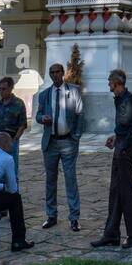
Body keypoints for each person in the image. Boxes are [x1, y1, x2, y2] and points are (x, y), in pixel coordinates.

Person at [91, 69, 132, 251]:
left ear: (116, 83)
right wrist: (116, 136)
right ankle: (111, 234)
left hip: (126, 151)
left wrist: (124, 144)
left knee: (126, 193)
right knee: (115, 191)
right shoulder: (120, 100)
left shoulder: (129, 100)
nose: (108, 84)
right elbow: (124, 125)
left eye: (109, 81)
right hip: (121, 146)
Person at [36, 62, 83, 231]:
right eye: (52, 72)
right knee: (50, 180)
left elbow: (79, 115)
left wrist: (75, 137)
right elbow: (38, 115)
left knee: (70, 179)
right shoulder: (45, 95)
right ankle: (51, 215)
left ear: (63, 73)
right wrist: (42, 119)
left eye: (58, 72)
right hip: (51, 142)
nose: (55, 75)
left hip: (68, 141)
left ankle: (74, 217)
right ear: (49, 75)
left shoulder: (73, 91)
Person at [0, 76, 27, 183]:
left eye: (4, 89)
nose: (1, 91)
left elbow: (22, 124)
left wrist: (15, 139)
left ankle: (13, 196)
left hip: (11, 142)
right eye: (0, 89)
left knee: (12, 171)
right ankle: (0, 196)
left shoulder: (18, 104)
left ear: (11, 88)